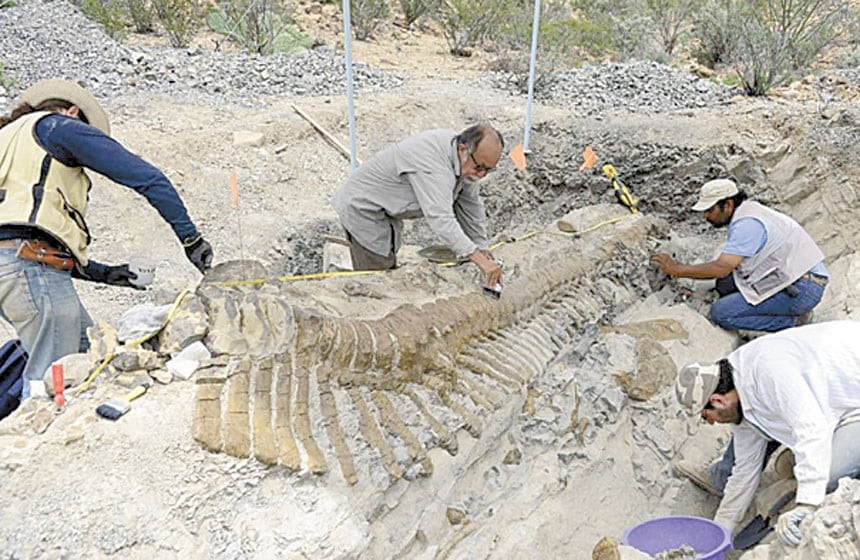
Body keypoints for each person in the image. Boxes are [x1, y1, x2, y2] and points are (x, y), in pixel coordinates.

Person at [0, 79, 213, 399]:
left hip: (19, 271)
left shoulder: (8, 140)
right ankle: (35, 442)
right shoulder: (60, 126)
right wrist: (190, 239)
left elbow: (20, 234)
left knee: (88, 352)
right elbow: (147, 178)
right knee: (52, 388)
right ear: (73, 111)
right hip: (28, 270)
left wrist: (108, 274)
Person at [674, 321, 860, 547]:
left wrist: (807, 505)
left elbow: (812, 429)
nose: (711, 423)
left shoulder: (770, 374)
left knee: (829, 474)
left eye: (706, 416)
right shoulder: (738, 391)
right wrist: (721, 530)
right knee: (795, 467)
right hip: (830, 399)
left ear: (717, 400)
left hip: (852, 398)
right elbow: (745, 470)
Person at [332, 124, 504, 290]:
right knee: (377, 275)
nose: (481, 175)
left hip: (386, 211)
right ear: (463, 149)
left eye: (488, 170)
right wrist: (478, 260)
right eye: (479, 167)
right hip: (362, 209)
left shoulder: (465, 160)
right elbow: (440, 218)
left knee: (386, 265)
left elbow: (471, 206)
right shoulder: (433, 164)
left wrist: (482, 247)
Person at [651, 179, 828, 334]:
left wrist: (677, 269)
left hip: (803, 287)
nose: (705, 216)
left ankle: (794, 322)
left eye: (709, 210)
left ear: (727, 205)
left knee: (721, 313)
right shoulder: (748, 210)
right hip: (797, 274)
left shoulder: (747, 224)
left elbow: (720, 268)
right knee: (725, 284)